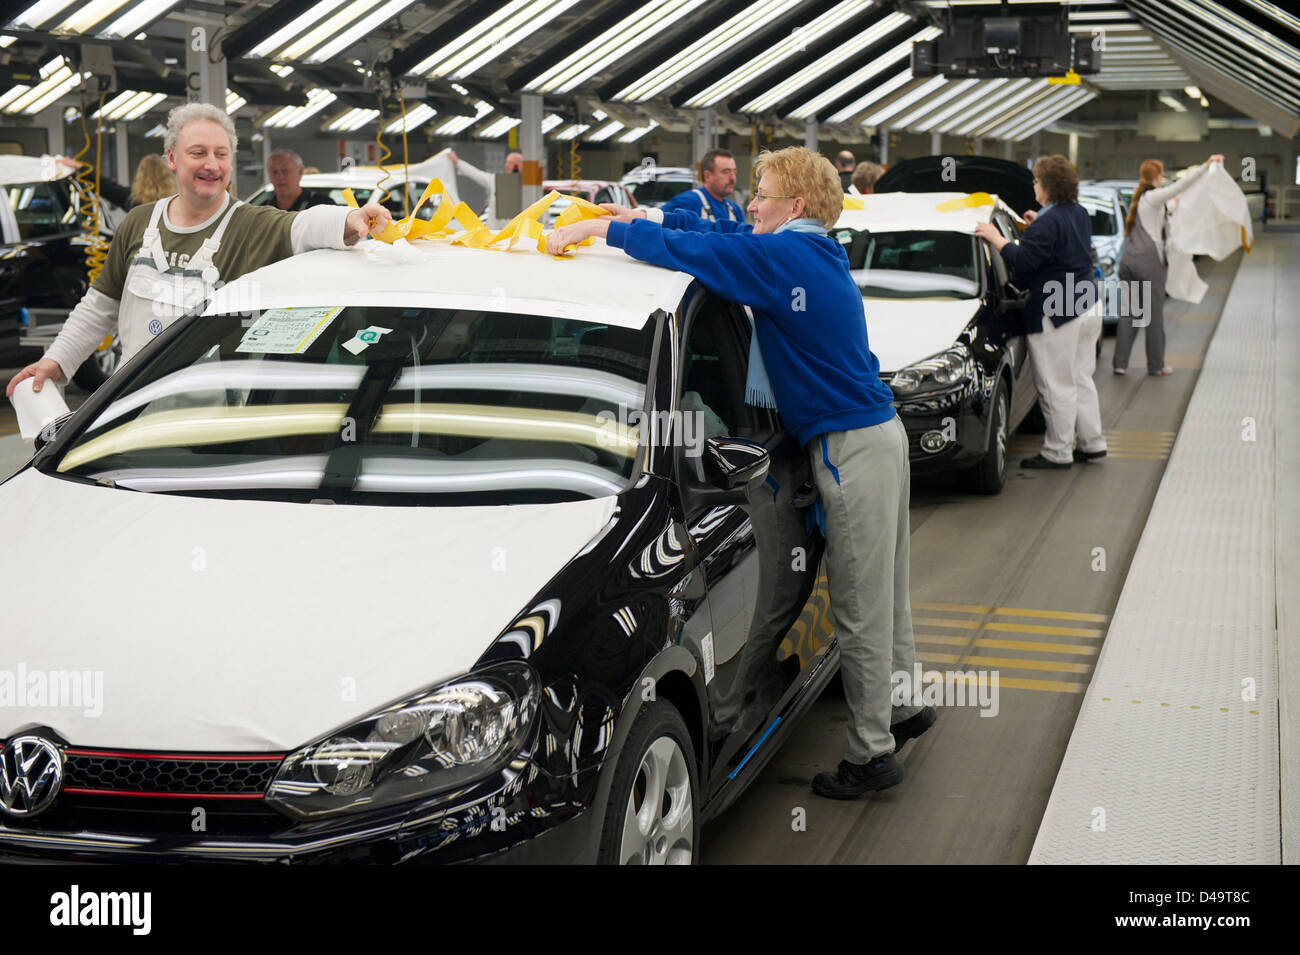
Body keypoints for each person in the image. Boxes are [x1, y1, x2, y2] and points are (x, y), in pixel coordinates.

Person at [547, 146, 936, 797]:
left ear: (797, 205)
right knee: (886, 590)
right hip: (878, 438)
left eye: (762, 192)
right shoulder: (810, 250)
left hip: (850, 448)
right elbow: (721, 235)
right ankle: (901, 703)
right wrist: (637, 213)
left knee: (859, 606)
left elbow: (708, 255)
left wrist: (602, 230)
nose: (750, 202)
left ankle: (871, 751)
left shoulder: (786, 258)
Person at [6, 103, 391, 398]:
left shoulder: (251, 224)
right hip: (128, 404)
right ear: (172, 158)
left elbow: (302, 225)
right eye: (198, 153)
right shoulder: (138, 222)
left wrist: (352, 218)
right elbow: (99, 307)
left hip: (213, 419)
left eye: (221, 154)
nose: (212, 164)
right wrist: (56, 361)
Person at [975, 154, 1105, 468]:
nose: (1033, 185)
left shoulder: (1049, 222)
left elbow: (1023, 264)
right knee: (1080, 377)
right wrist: (1038, 226)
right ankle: (1092, 442)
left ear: (1046, 186)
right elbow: (1059, 244)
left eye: (1036, 180)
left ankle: (1057, 452)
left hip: (1057, 309)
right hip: (1086, 301)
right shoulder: (1076, 212)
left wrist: (996, 238)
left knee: (1055, 383)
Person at [1113, 153, 1224, 375]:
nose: (1163, 178)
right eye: (1162, 174)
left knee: (1130, 315)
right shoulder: (1153, 197)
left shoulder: (1142, 200)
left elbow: (1169, 206)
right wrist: (1206, 165)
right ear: (1157, 177)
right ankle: (1156, 365)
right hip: (1148, 264)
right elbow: (1180, 187)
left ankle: (1120, 364)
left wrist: (1176, 204)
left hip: (1128, 263)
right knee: (1153, 316)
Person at [54, 153, 174, 210]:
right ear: (166, 176)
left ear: (140, 175)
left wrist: (79, 166)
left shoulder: (131, 199)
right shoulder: (175, 202)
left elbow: (104, 185)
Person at [658, 148, 744, 223]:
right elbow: (654, 223)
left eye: (734, 172)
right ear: (707, 175)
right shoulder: (687, 202)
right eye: (726, 172)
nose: (733, 178)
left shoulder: (735, 211)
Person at [265, 148, 330, 211]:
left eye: (285, 170)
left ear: (300, 172)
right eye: (274, 171)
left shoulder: (322, 205)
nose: (279, 176)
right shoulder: (263, 210)